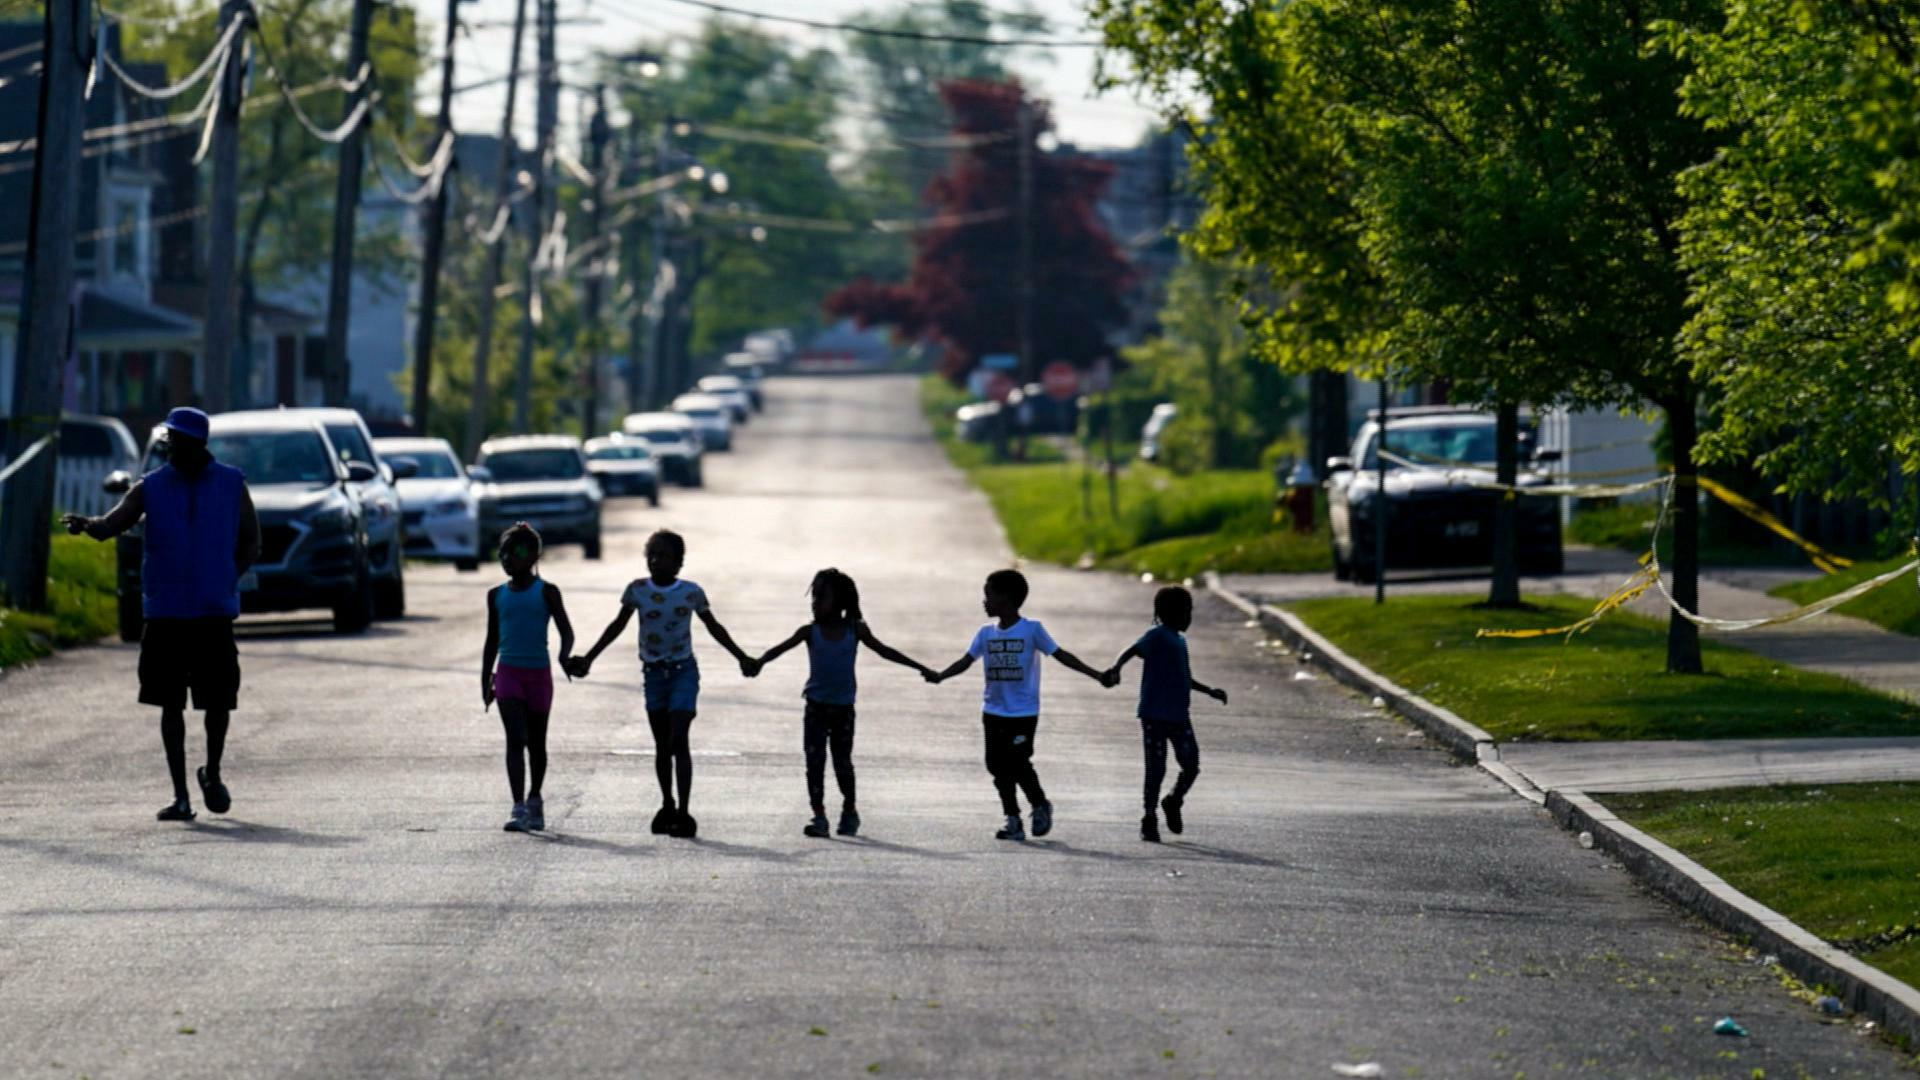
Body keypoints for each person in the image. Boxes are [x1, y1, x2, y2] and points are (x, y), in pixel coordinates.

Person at [63, 407, 260, 822]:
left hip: (212, 613)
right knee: (170, 704)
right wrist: (86, 525)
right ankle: (181, 795)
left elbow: (250, 542)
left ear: (195, 444)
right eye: (170, 440)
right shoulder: (150, 487)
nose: (171, 447)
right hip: (166, 613)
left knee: (218, 702)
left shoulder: (231, 484)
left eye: (176, 441)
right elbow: (113, 524)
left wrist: (226, 575)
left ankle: (213, 772)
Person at [569, 529, 756, 838]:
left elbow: (714, 627)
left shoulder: (691, 592)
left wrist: (741, 656)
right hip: (653, 675)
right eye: (651, 554)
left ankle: (683, 809)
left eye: (664, 555)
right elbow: (617, 626)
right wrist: (589, 658)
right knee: (662, 745)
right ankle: (667, 802)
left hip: (683, 673)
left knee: (678, 739)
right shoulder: (637, 591)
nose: (656, 560)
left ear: (679, 562)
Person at [925, 568, 1116, 841]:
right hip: (993, 712)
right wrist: (940, 676)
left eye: (989, 596)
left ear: (1007, 598)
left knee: (1017, 762)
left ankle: (1039, 804)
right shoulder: (985, 633)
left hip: (1023, 714)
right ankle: (1012, 818)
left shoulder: (1032, 630)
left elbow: (1062, 655)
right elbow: (966, 661)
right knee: (996, 766)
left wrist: (1097, 675)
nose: (984, 602)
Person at [751, 568, 932, 838]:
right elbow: (778, 649)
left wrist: (920, 667)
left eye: (821, 596)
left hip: (843, 709)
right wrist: (757, 663)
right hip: (815, 706)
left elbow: (885, 651)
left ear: (841, 602)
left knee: (841, 761)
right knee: (814, 760)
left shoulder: (855, 630)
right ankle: (819, 815)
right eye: (814, 597)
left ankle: (849, 809)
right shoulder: (809, 631)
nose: (815, 602)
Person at [1105, 586, 1228, 843]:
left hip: (1179, 716)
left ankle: (1173, 800)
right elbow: (1132, 650)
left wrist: (1209, 691)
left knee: (1191, 765)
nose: (1189, 618)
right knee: (1156, 768)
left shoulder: (1179, 640)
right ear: (1168, 613)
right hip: (1154, 716)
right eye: (1185, 612)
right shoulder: (1157, 636)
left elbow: (1184, 677)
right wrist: (1116, 668)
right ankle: (1149, 818)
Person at [479, 522, 576, 833]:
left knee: (537, 742)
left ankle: (535, 798)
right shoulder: (495, 596)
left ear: (534, 555)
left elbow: (566, 630)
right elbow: (491, 640)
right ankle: (518, 805)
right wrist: (485, 679)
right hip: (508, 674)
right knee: (514, 740)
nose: (508, 559)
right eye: (503, 553)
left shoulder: (547, 592)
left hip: (538, 676)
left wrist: (564, 656)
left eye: (517, 552)